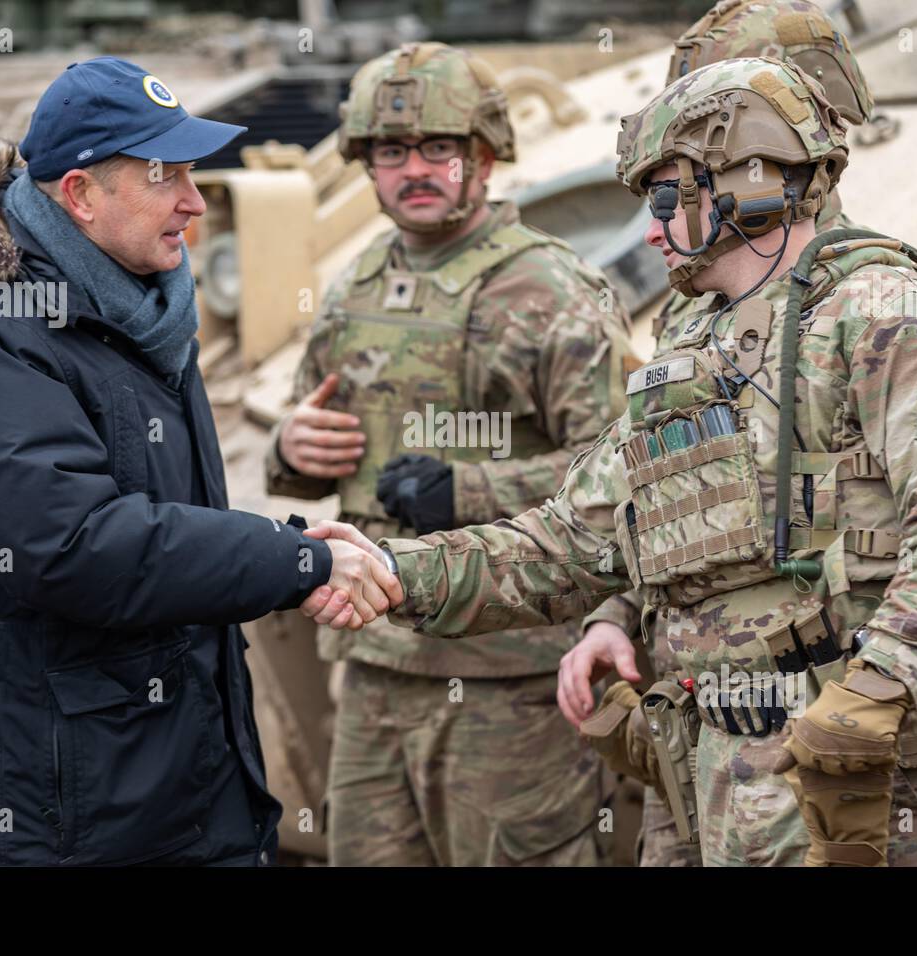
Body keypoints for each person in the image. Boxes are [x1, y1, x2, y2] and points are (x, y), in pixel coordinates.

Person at [308, 55, 917, 866]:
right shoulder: (696, 339)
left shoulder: (891, 313)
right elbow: (572, 541)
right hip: (718, 769)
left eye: (662, 199)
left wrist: (875, 691)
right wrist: (396, 572)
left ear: (746, 184)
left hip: (877, 783)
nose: (649, 231)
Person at [0, 56, 399, 866]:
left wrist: (287, 547)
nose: (194, 200)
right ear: (80, 195)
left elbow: (157, 521)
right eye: (167, 177)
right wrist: (291, 560)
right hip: (33, 825)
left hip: (145, 799)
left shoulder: (132, 307)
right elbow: (71, 545)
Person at [268, 41, 634, 866]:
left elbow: (624, 476)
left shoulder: (551, 289)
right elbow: (306, 440)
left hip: (512, 676)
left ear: (483, 156)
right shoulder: (357, 284)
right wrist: (292, 450)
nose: (414, 170)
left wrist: (466, 490)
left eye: (439, 148)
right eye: (392, 152)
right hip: (373, 661)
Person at [574, 0, 879, 867]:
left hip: (825, 739)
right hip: (706, 733)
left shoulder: (867, 310)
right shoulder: (700, 317)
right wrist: (615, 614)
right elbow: (664, 500)